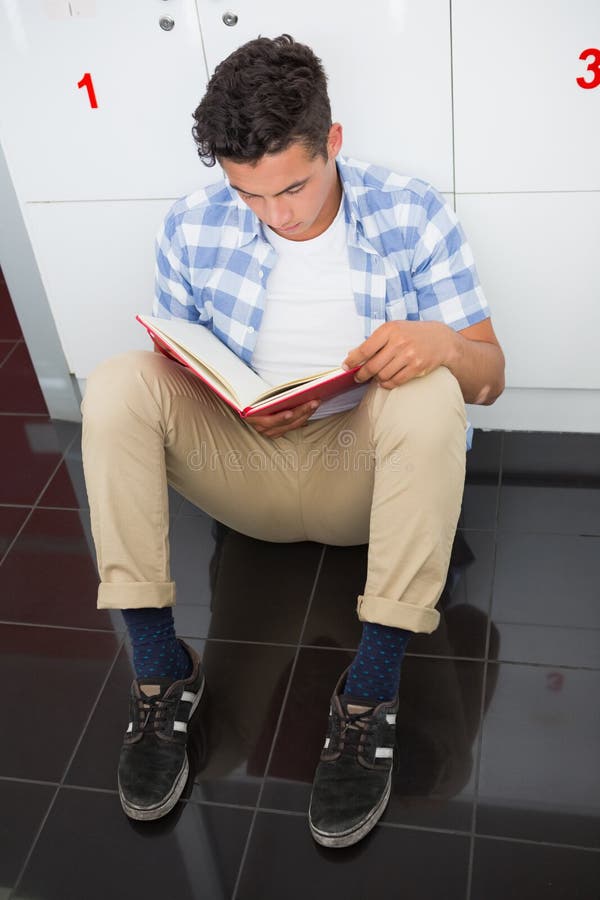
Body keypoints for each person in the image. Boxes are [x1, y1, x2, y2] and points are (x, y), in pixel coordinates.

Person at [81, 34, 505, 847]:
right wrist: (230, 401)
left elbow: (489, 376)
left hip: (365, 479)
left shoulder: (410, 213)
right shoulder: (190, 227)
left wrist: (440, 346)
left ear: (332, 141)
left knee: (430, 393)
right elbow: (180, 365)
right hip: (250, 473)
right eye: (251, 196)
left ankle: (371, 694)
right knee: (118, 381)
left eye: (295, 187)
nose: (277, 214)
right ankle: (160, 671)